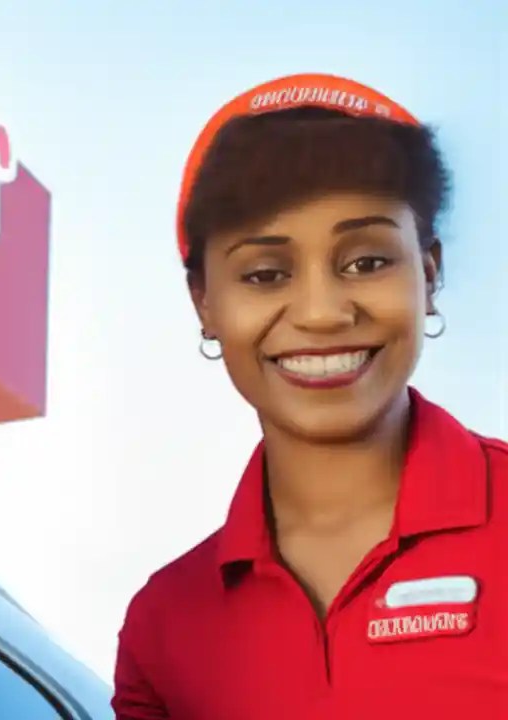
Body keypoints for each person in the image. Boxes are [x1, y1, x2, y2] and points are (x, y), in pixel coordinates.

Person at [111, 73, 508, 719]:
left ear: (428, 275)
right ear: (204, 303)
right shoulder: (165, 623)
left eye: (367, 262)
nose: (322, 313)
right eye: (265, 274)